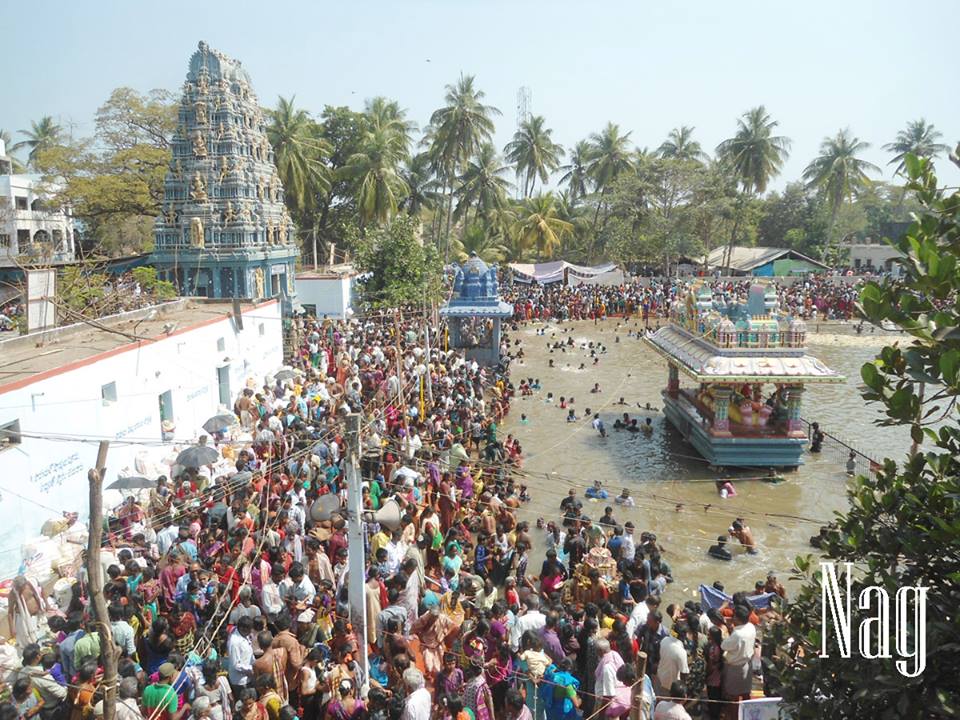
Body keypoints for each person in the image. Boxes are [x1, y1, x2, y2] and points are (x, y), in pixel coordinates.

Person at [720, 606, 756, 711]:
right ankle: (748, 714)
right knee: (746, 693)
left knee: (733, 696)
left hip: (735, 668)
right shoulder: (751, 627)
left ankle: (734, 716)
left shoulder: (737, 634)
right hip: (747, 664)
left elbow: (724, 646)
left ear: (737, 619)